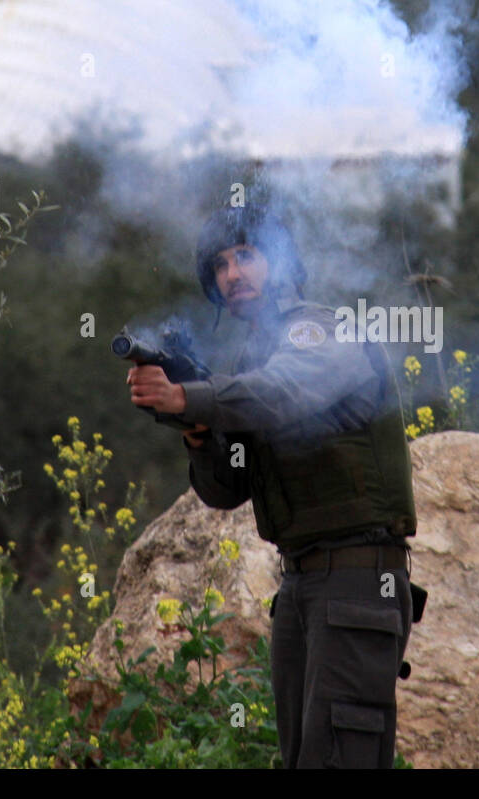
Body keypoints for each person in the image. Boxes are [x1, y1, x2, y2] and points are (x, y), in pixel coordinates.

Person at [125, 205, 417, 769]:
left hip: (357, 579)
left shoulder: (318, 329)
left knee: (339, 759)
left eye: (247, 255)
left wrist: (192, 396)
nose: (232, 274)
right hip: (303, 585)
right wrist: (196, 429)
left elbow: (283, 394)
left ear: (283, 259)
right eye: (219, 265)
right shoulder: (250, 362)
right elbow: (227, 487)